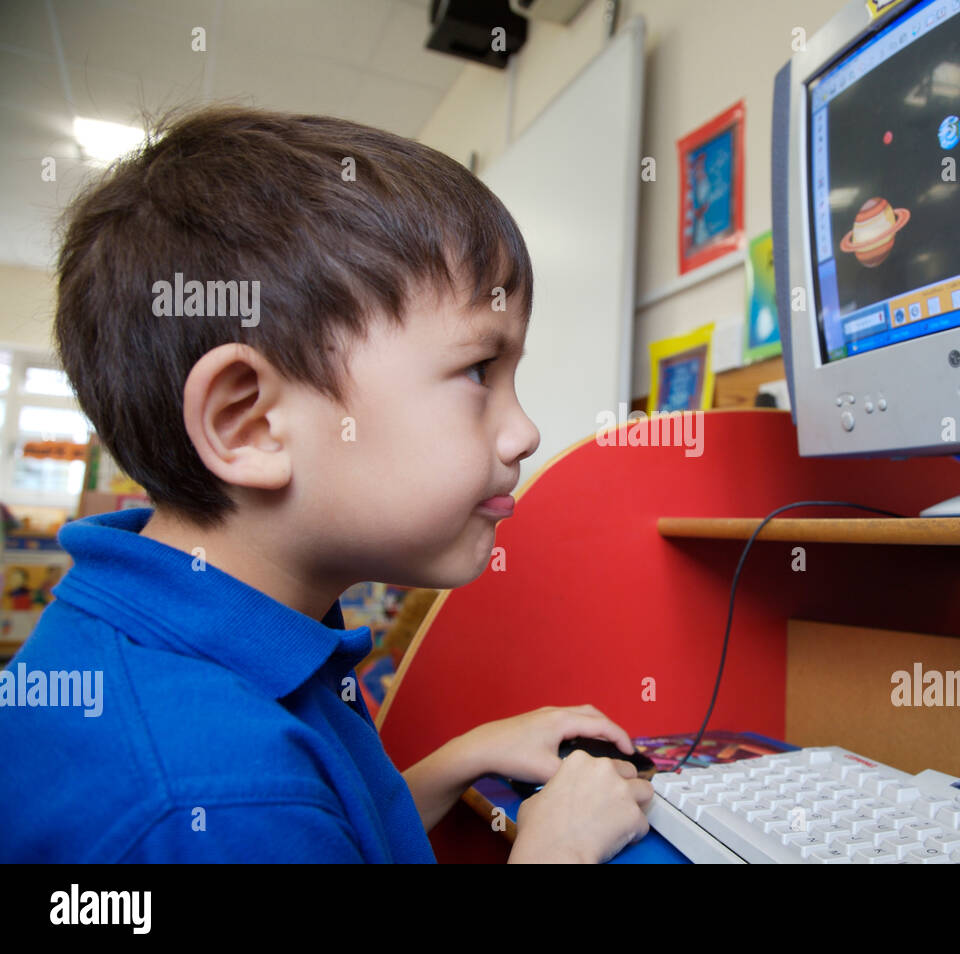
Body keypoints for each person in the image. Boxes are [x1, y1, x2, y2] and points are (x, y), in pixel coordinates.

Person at [0, 105, 651, 863]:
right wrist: (557, 852)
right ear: (250, 423)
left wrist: (461, 758)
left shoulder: (177, 636)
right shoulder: (212, 794)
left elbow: (331, 834)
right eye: (478, 370)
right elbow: (269, 816)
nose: (524, 433)